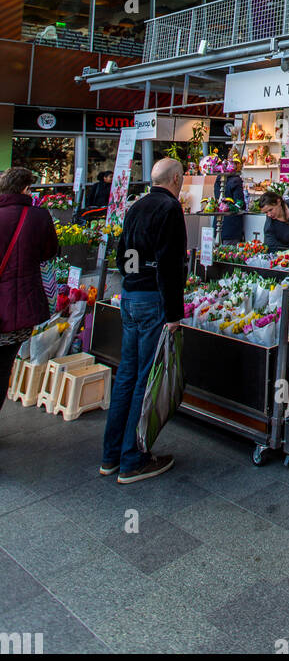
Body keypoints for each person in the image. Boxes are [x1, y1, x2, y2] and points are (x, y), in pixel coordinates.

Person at [101, 157, 186, 484]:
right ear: (176, 179)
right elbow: (170, 263)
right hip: (153, 301)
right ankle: (132, 459)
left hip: (132, 297)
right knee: (145, 380)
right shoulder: (170, 209)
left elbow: (124, 254)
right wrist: (174, 314)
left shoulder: (136, 206)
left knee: (125, 375)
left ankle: (111, 456)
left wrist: (133, 282)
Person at [0, 168, 59, 413]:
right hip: (17, 307)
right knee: (3, 367)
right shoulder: (38, 217)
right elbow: (49, 252)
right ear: (26, 189)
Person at [214, 156, 245, 242]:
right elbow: (239, 204)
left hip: (218, 224)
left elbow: (217, 197)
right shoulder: (236, 181)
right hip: (231, 226)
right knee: (229, 252)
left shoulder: (219, 179)